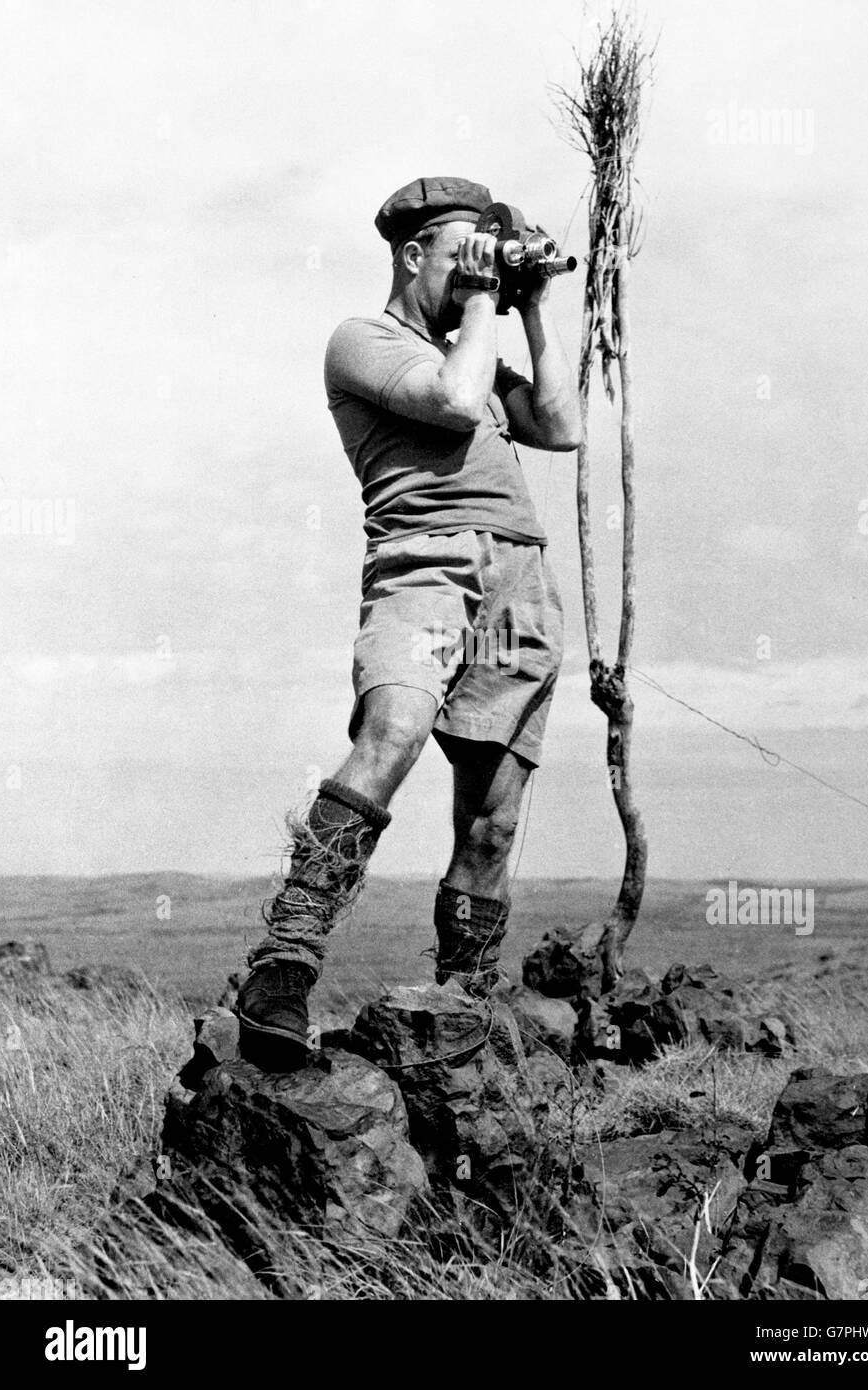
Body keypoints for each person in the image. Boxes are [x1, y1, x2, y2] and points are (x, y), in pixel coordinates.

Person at [237, 175, 581, 1069]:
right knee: (390, 733)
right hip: (423, 561)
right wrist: (479, 303)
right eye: (461, 250)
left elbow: (561, 423)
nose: (476, 270)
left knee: (495, 817)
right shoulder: (364, 341)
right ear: (412, 252)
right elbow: (456, 403)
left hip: (519, 576)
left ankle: (464, 1006)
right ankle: (284, 963)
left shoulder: (471, 344)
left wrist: (529, 308)